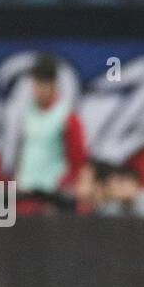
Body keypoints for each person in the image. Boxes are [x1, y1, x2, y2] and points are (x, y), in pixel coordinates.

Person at [15, 54, 85, 211]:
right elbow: (24, 151)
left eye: (42, 84)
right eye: (35, 84)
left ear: (53, 85)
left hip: (51, 195)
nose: (37, 90)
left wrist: (64, 186)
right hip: (26, 192)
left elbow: (77, 159)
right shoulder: (28, 113)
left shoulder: (67, 117)